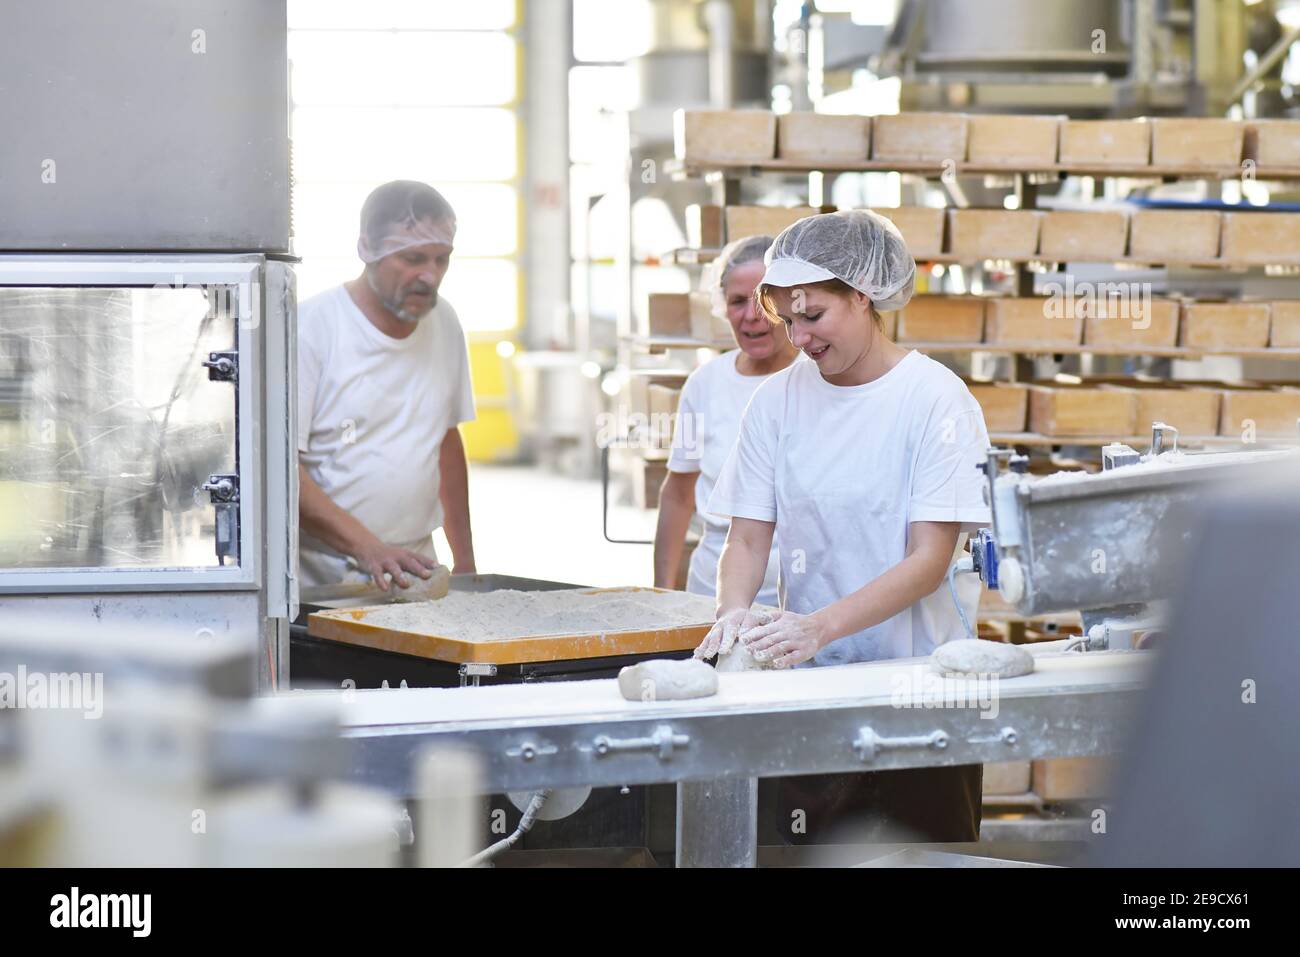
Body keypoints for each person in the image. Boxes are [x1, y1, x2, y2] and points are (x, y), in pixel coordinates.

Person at [695, 209, 992, 844]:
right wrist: (732, 616)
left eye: (813, 316)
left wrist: (819, 625)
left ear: (861, 296)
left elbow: (927, 559)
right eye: (786, 317)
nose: (797, 336)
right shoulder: (776, 401)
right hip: (812, 689)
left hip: (922, 693)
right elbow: (747, 537)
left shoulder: (934, 400)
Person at [297, 180, 476, 591]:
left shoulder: (444, 322)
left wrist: (465, 564)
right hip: (325, 577)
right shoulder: (312, 330)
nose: (429, 276)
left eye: (441, 259)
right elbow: (284, 473)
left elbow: (445, 443)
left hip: (415, 569)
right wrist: (369, 549)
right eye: (412, 258)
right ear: (366, 249)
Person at [653, 235, 798, 605]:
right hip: (711, 594)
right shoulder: (703, 383)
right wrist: (662, 595)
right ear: (721, 306)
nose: (751, 317)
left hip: (798, 597)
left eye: (763, 300)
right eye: (737, 302)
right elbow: (678, 492)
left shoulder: (819, 378)